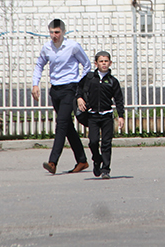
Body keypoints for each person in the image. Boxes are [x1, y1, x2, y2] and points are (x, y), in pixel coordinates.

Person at [32, 19, 91, 175]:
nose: (54, 35)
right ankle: (82, 160)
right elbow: (39, 65)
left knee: (61, 123)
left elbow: (87, 64)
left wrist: (80, 85)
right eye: (51, 32)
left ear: (63, 32)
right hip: (56, 90)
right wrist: (35, 84)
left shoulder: (72, 46)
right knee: (68, 127)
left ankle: (53, 162)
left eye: (57, 32)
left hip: (70, 88)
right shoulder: (47, 48)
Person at [76, 51, 125, 179]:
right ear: (96, 63)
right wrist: (79, 98)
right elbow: (78, 89)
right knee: (93, 141)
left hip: (107, 115)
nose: (104, 63)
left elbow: (119, 99)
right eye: (101, 61)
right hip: (93, 115)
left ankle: (105, 169)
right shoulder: (90, 78)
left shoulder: (113, 81)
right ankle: (97, 159)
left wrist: (121, 116)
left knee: (106, 143)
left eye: (106, 61)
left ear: (110, 63)